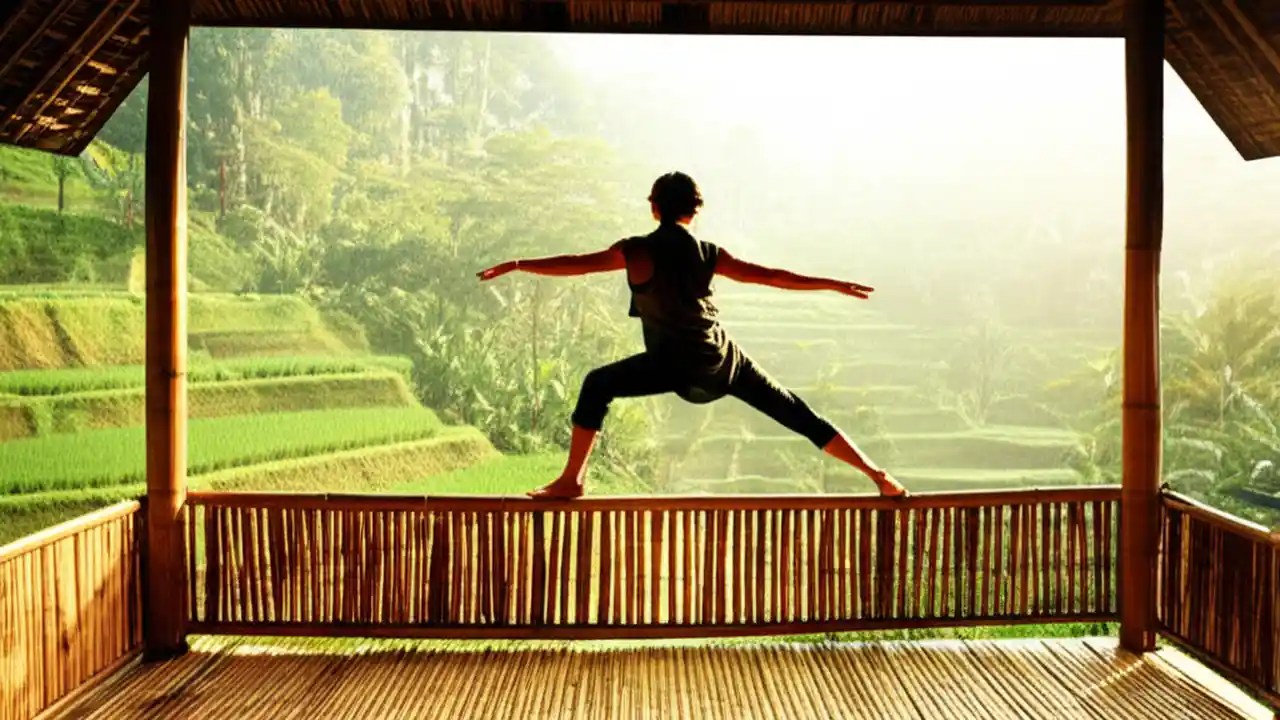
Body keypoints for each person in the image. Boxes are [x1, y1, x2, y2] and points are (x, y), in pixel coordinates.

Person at [477, 172, 908, 500]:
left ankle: (572, 480)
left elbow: (576, 263)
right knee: (796, 412)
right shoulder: (709, 253)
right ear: (694, 210)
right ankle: (879, 476)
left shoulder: (637, 251)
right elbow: (772, 277)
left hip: (670, 365)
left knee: (597, 385)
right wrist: (830, 284)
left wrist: (518, 263)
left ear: (653, 207)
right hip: (722, 360)